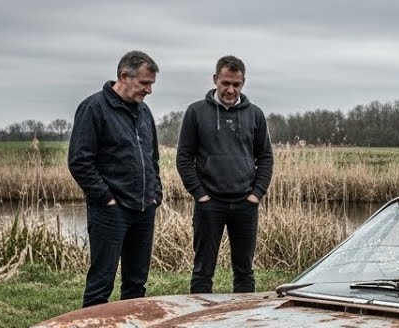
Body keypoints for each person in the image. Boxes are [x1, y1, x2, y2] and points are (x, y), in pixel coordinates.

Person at [67, 50, 163, 307]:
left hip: (143, 209)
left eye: (151, 84)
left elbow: (152, 158)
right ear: (124, 76)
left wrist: (155, 194)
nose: (149, 90)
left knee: (136, 282)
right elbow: (79, 161)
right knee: (101, 283)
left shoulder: (144, 112)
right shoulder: (94, 108)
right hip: (111, 212)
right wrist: (106, 198)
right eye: (145, 83)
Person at [176, 55, 274, 293]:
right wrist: (199, 194)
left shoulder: (255, 114)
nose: (230, 89)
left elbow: (265, 157)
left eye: (236, 84)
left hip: (245, 204)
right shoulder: (196, 112)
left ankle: (243, 321)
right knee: (202, 270)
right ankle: (200, 320)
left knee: (244, 270)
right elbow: (184, 157)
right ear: (215, 80)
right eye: (225, 83)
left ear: (243, 83)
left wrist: (256, 194)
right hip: (210, 204)